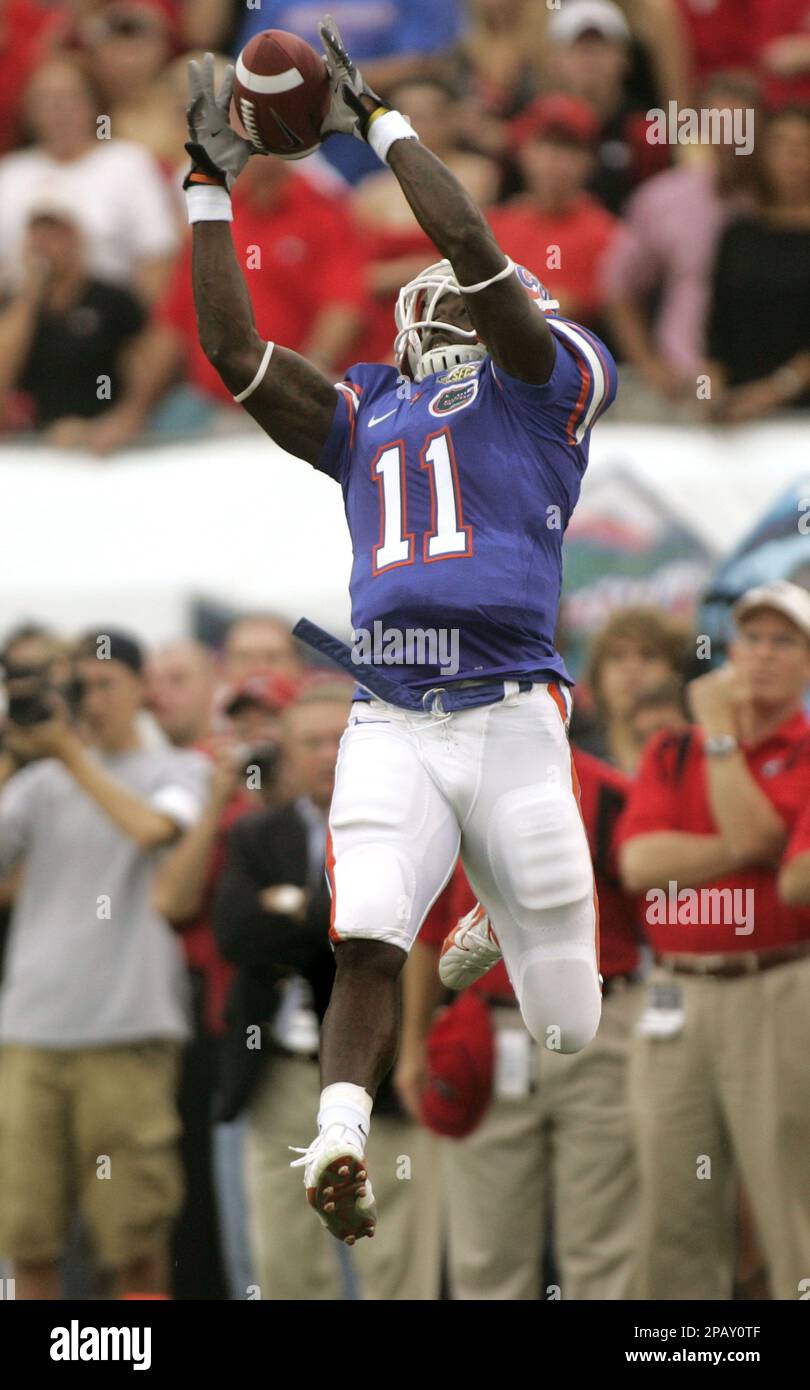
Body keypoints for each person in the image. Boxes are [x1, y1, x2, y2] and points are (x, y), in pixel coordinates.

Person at [182, 17, 618, 1248]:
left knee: (570, 1022)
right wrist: (208, 185)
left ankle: (490, 897)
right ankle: (339, 1132)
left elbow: (474, 245)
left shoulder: (548, 389)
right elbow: (228, 348)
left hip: (513, 709)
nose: (446, 301)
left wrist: (381, 123)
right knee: (366, 933)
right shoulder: (366, 407)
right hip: (390, 707)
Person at [0, 630, 210, 1299]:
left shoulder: (177, 770)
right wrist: (14, 755)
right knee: (28, 1239)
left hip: (128, 1033)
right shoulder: (38, 785)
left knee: (135, 1241)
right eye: (78, 688)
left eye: (104, 685)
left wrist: (68, 755)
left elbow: (152, 830)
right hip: (33, 1036)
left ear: (140, 690)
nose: (90, 701)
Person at [213, 684, 440, 1299]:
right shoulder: (257, 837)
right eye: (309, 742)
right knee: (285, 1269)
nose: (325, 756)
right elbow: (233, 933)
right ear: (284, 754)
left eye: (338, 740)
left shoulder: (407, 830)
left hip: (378, 1073)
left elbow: (379, 937)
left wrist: (293, 907)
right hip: (278, 1074)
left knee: (394, 1264)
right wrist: (324, 922)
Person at [617, 580, 810, 1300]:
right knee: (672, 1208)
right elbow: (638, 864)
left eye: (782, 641)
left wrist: (723, 741)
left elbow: (784, 861)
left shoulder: (799, 747)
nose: (761, 655)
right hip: (675, 992)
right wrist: (744, 842)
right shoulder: (671, 751)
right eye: (750, 639)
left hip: (778, 985)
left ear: (807, 663)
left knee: (792, 1199)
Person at [398, 744, 644, 1301]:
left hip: (600, 1024)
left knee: (604, 1247)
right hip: (489, 1029)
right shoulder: (447, 795)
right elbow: (431, 930)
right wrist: (414, 1044)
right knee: (487, 1254)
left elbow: (653, 917)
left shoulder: (605, 790)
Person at [601, 71, 759, 419]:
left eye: (741, 126)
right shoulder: (664, 199)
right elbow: (618, 288)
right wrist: (650, 366)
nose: (729, 139)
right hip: (683, 386)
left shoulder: (781, 208)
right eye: (719, 125)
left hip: (764, 392)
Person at [0, 56, 179, 305]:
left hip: (109, 321)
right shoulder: (9, 173)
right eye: (46, 100)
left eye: (71, 98)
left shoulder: (128, 163)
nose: (59, 110)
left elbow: (156, 258)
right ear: (28, 110)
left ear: (95, 103)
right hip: (18, 321)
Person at [0, 195, 166, 451]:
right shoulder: (17, 305)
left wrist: (122, 419)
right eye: (37, 234)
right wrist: (30, 294)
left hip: (102, 434)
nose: (45, 243)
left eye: (56, 234)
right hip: (30, 441)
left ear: (77, 238)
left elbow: (147, 362)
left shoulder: (112, 300)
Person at [707, 106, 810, 423]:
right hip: (739, 414)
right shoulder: (738, 234)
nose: (792, 157)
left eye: (803, 146)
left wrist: (774, 391)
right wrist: (711, 386)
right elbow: (717, 322)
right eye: (780, 144)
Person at [489, 94, 619, 329]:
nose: (555, 160)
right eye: (545, 144)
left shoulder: (605, 233)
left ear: (589, 160)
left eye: (569, 148)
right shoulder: (496, 223)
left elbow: (562, 307)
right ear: (523, 152)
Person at [579, 606, 689, 773]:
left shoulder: (696, 752)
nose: (632, 668)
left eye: (648, 655)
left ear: (675, 670)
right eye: (617, 655)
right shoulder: (573, 761)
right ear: (597, 675)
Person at [146, 639, 218, 748]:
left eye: (177, 679)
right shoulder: (132, 758)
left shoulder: (240, 759)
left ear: (210, 683)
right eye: (153, 681)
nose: (160, 692)